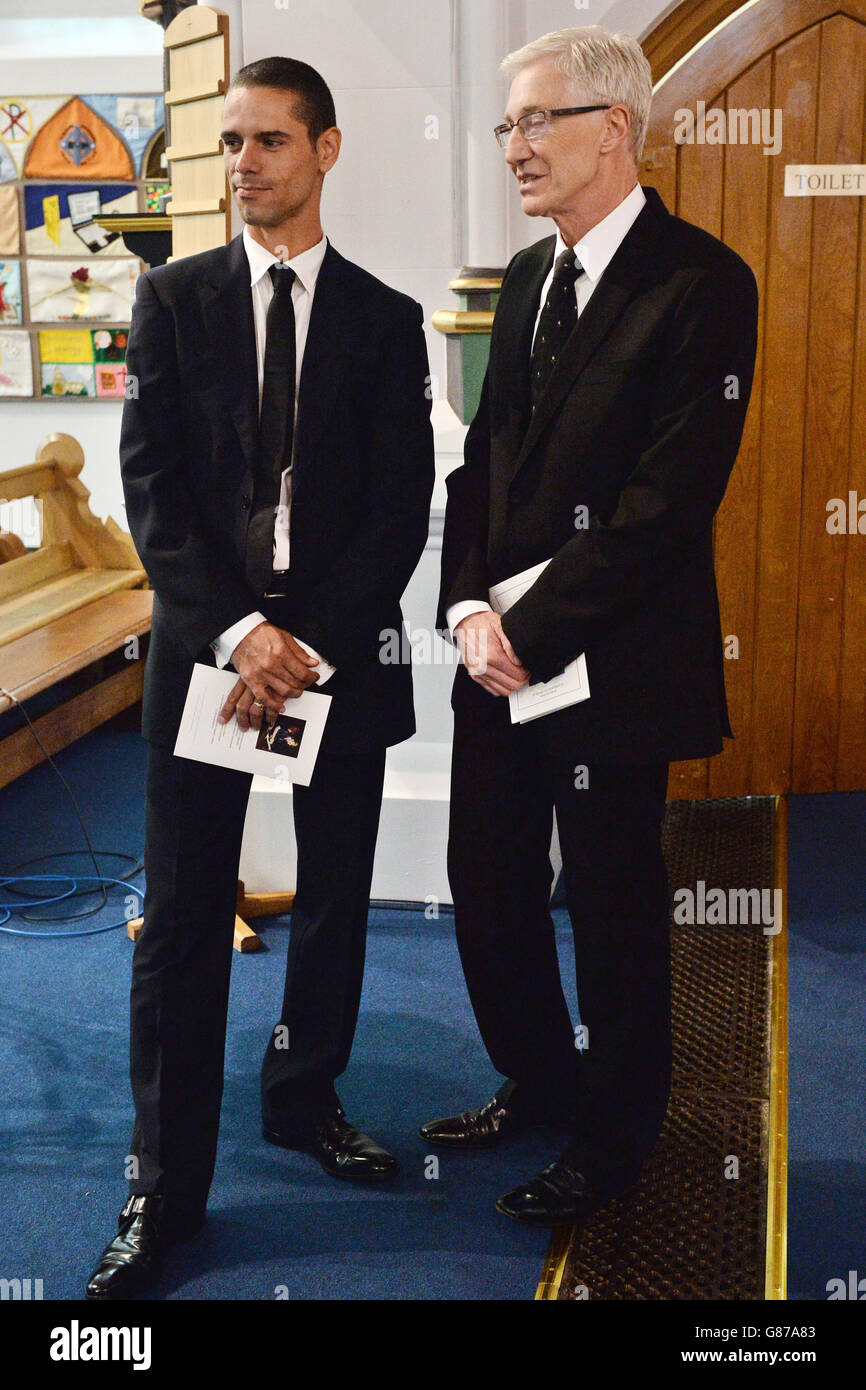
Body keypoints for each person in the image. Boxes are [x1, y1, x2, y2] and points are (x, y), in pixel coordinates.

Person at [86, 56, 434, 1299]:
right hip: (208, 658)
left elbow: (400, 508)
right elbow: (153, 495)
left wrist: (307, 646)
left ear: (324, 151)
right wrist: (241, 636)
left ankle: (304, 1096)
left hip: (335, 659)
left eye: (268, 143)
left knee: (335, 892)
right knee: (181, 919)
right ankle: (163, 1187)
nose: (242, 166)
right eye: (228, 144)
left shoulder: (386, 321)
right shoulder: (171, 303)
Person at [421, 25, 758, 1227]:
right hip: (493, 656)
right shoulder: (522, 278)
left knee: (611, 905)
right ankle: (539, 1079)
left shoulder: (702, 283)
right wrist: (465, 606)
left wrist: (535, 627)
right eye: (506, 123)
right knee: (486, 881)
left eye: (532, 122)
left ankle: (613, 1142)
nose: (510, 146)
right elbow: (479, 469)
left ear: (612, 129)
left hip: (608, 664)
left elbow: (666, 505)